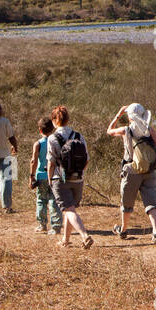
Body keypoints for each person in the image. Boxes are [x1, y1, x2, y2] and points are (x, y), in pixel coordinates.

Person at [106, 103, 156, 244]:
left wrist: (119, 114)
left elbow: (109, 131)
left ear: (130, 116)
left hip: (132, 170)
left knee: (127, 203)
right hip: (149, 169)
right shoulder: (149, 129)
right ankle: (155, 231)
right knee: (151, 202)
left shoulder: (126, 130)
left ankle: (123, 230)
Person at [46, 105, 94, 250]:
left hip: (60, 179)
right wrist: (79, 172)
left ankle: (84, 236)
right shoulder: (78, 136)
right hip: (78, 179)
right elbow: (87, 159)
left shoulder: (52, 138)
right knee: (70, 209)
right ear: (67, 119)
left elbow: (51, 162)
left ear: (54, 121)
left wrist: (50, 179)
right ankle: (65, 240)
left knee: (69, 210)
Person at [28, 116, 62, 235]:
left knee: (41, 200)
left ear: (40, 130)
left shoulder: (38, 144)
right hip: (55, 175)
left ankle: (42, 224)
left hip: (41, 175)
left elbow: (34, 161)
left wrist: (31, 176)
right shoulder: (57, 141)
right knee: (54, 200)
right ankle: (56, 225)